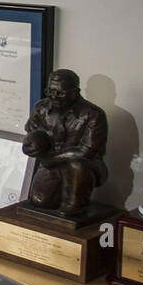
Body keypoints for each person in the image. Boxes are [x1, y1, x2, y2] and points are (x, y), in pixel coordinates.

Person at [23, 68, 108, 216]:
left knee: (77, 167)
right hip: (50, 164)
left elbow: (86, 151)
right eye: (50, 91)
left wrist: (52, 159)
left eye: (60, 93)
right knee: (39, 202)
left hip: (82, 167)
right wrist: (31, 144)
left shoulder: (93, 114)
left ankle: (76, 204)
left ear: (76, 91)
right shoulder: (42, 107)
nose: (54, 97)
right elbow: (31, 131)